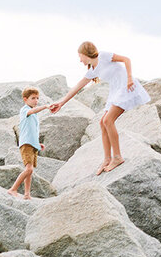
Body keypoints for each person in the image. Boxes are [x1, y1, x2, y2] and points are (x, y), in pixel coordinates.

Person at [50, 41, 150, 174]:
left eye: (80, 56)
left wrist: (130, 78)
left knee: (108, 120)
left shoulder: (103, 56)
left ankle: (117, 157)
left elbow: (126, 59)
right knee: (102, 123)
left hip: (126, 87)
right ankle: (107, 158)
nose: (80, 60)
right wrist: (61, 103)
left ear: (85, 54)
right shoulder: (93, 70)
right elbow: (77, 87)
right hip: (115, 91)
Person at [9, 87, 49, 199]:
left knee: (30, 171)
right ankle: (13, 189)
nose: (36, 101)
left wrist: (37, 143)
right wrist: (45, 106)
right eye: (33, 98)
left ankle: (27, 194)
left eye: (37, 98)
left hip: (32, 144)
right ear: (25, 99)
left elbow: (32, 130)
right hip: (26, 143)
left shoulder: (34, 115)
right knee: (29, 169)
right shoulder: (25, 110)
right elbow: (31, 111)